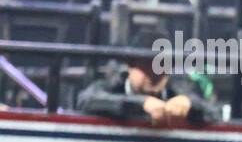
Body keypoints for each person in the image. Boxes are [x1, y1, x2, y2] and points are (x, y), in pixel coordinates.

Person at [77, 29, 219, 125]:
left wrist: (189, 105)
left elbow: (213, 112)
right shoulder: (114, 85)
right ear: (130, 66)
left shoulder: (177, 88)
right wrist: (140, 104)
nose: (154, 74)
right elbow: (86, 99)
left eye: (161, 66)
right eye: (146, 66)